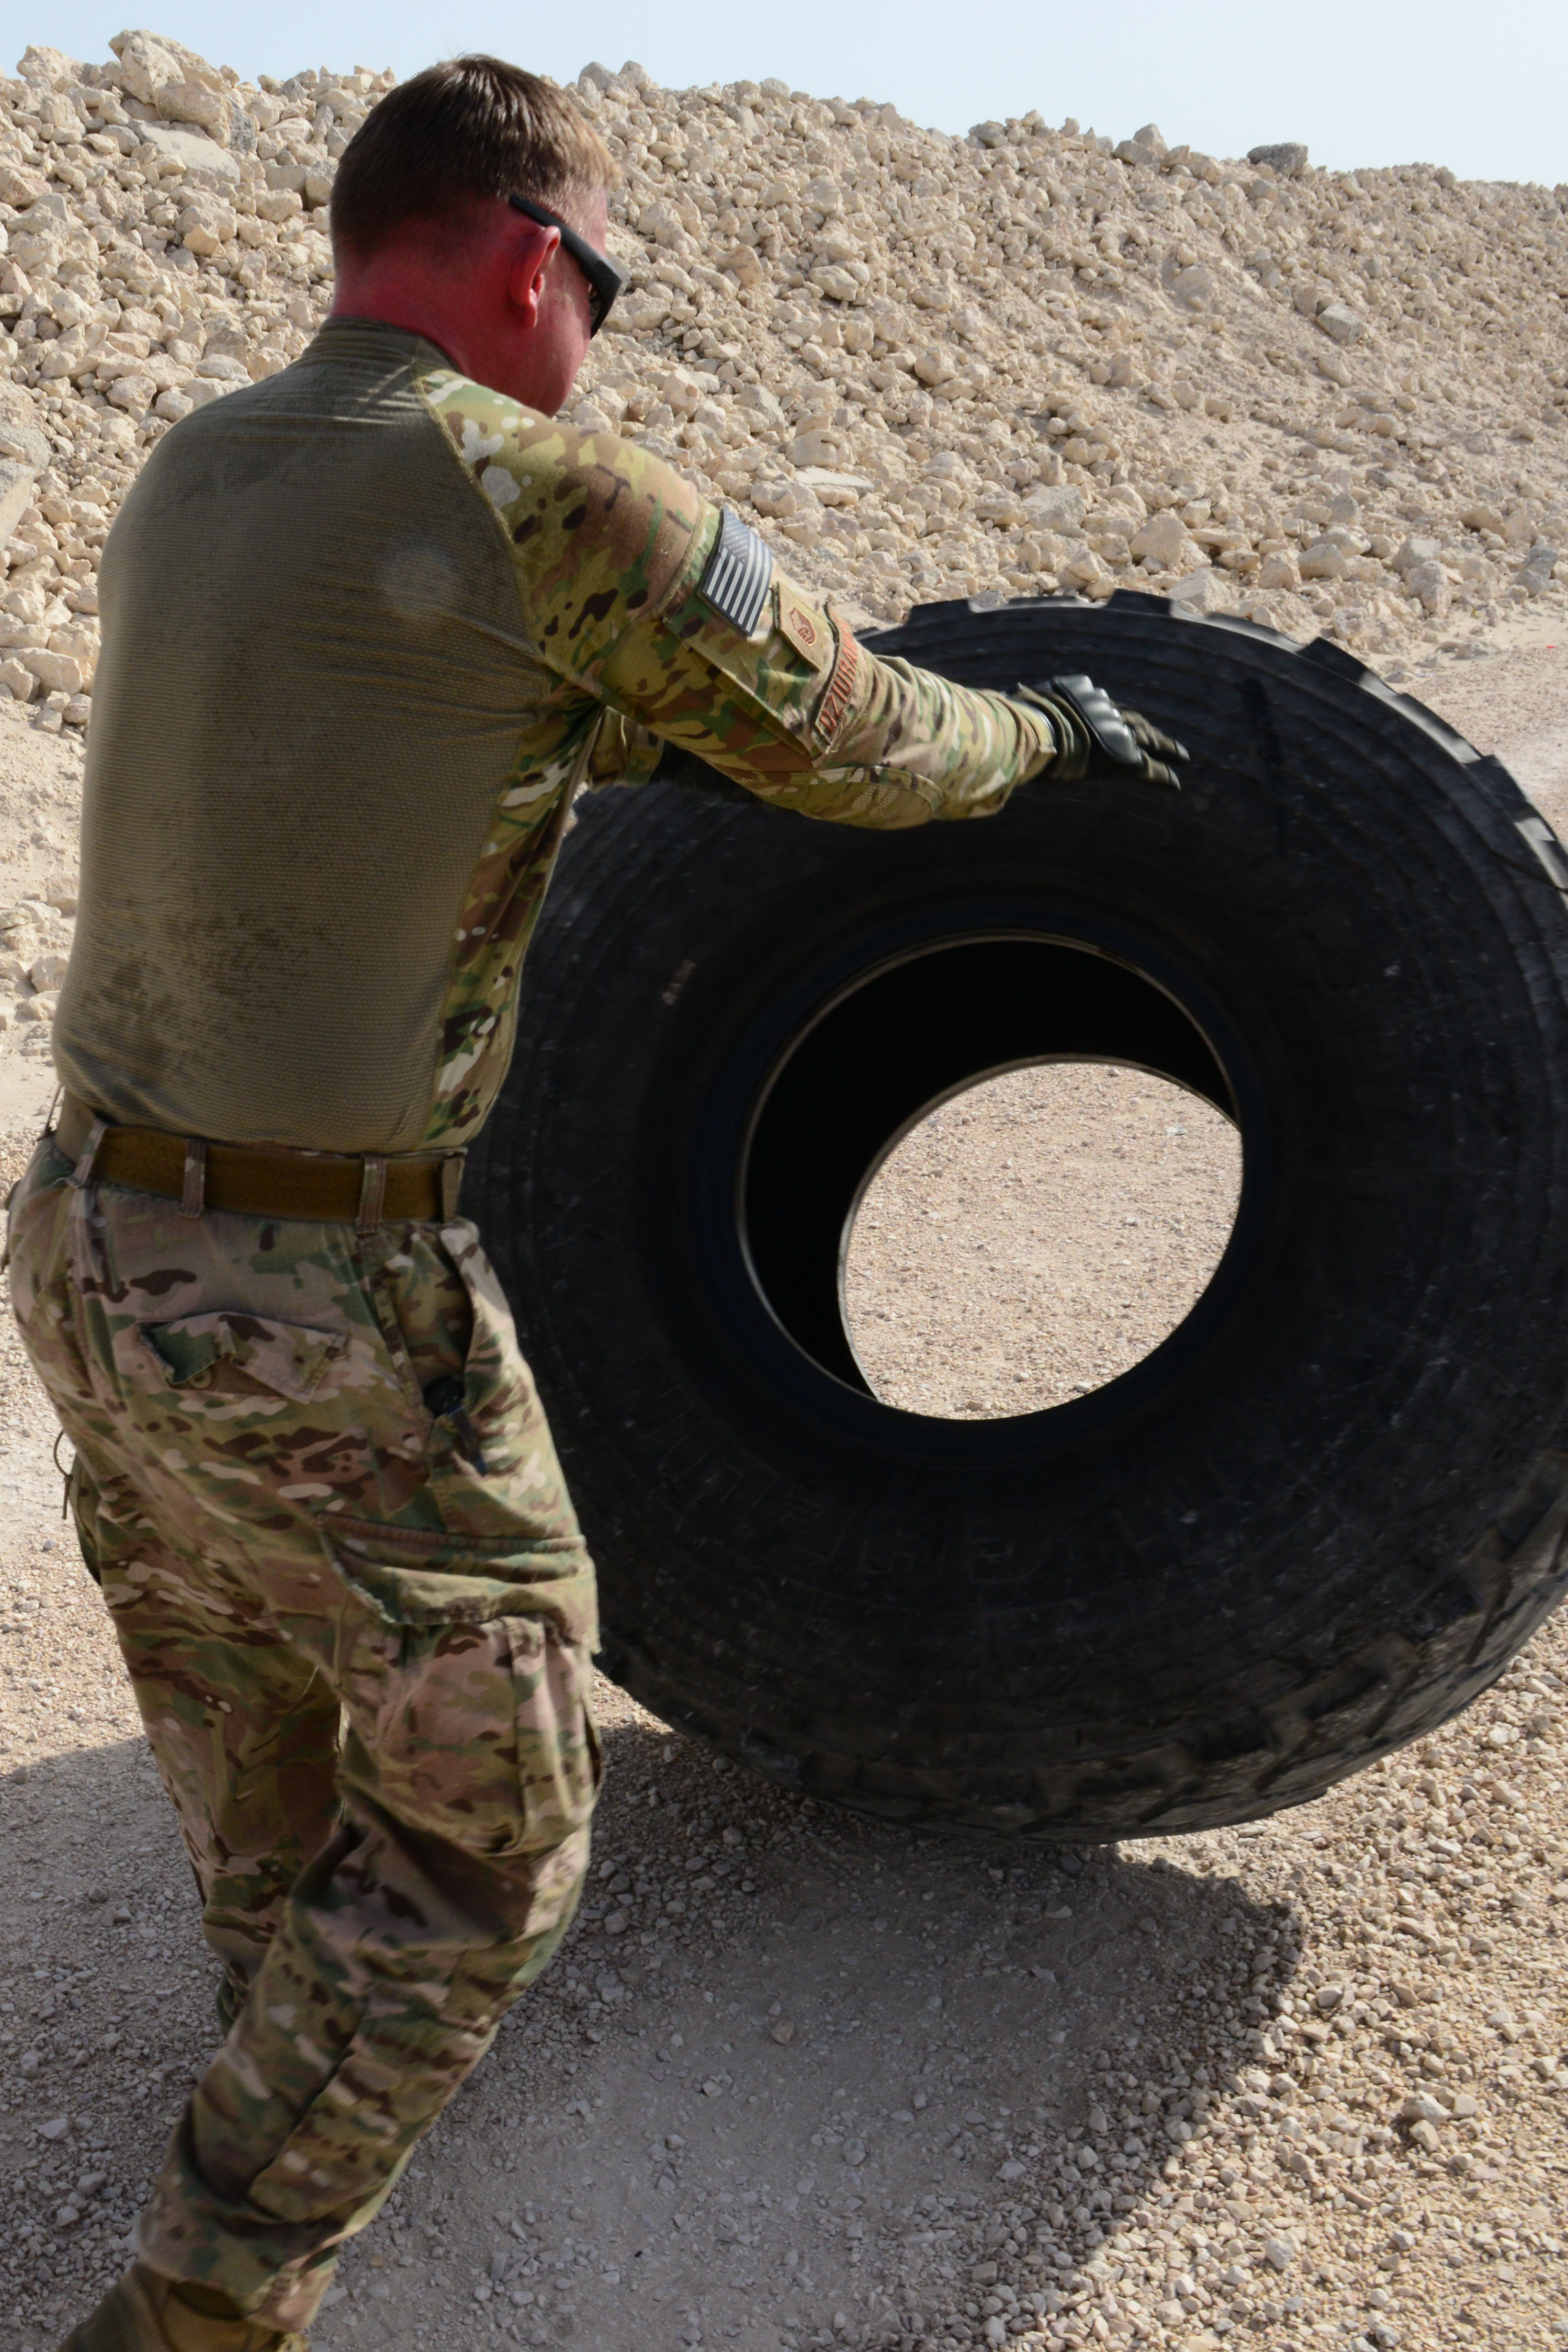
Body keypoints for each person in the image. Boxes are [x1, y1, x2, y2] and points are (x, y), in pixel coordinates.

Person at [10, 54, 1184, 2352]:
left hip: (89, 1244)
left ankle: (274, 2069)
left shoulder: (203, 462)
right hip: (324, 1294)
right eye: (603, 284)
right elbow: (867, 737)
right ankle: (200, 2306)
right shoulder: (543, 491)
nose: (598, 330)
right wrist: (1051, 737)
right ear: (534, 257)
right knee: (491, 1838)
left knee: (259, 1701)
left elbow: (425, 719)